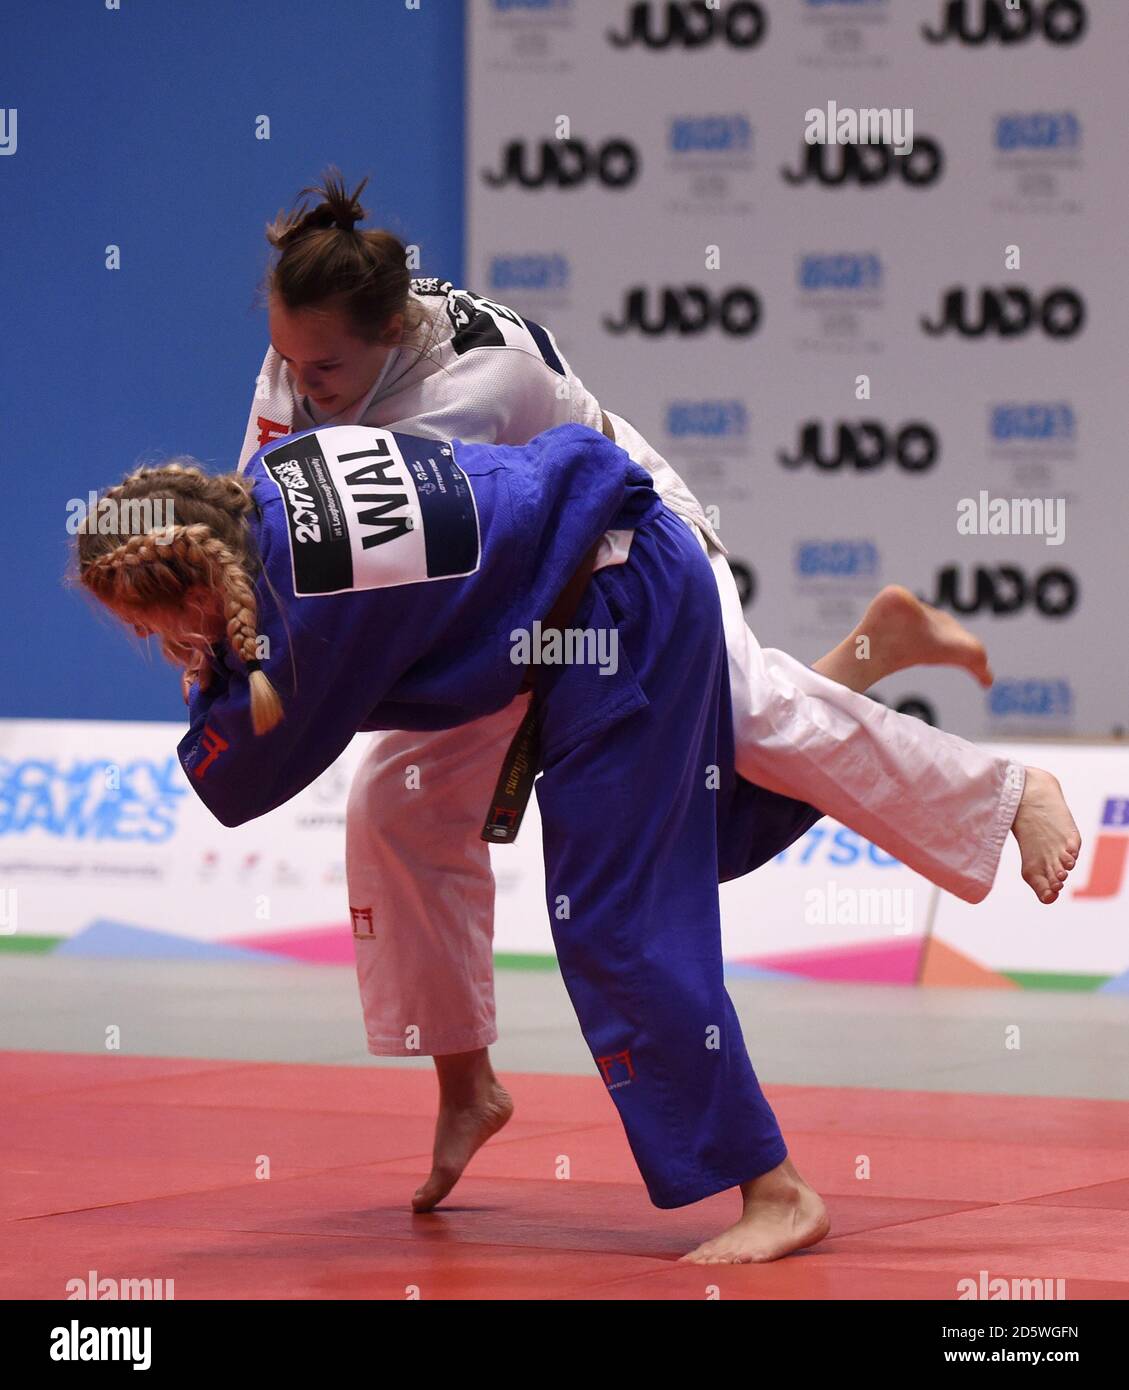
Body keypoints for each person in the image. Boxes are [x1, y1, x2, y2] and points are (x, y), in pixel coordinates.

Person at [234, 171, 1079, 1213]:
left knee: (750, 716)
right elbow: (273, 520)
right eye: (288, 358)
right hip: (507, 577)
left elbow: (383, 588)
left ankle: (1002, 790)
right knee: (394, 801)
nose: (300, 382)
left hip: (622, 539)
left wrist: (285, 705)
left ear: (394, 328)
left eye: (325, 367)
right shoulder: (306, 348)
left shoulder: (476, 388)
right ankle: (466, 1084)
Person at [75, 424, 1079, 1262]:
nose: (150, 643)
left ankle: (775, 1189)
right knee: (706, 837)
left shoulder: (304, 616)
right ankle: (861, 666)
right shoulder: (285, 469)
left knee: (613, 923)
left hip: (610, 616)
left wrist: (211, 682)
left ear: (189, 590)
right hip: (620, 569)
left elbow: (243, 774)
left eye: (145, 625)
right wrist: (226, 656)